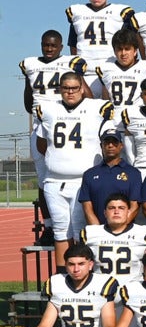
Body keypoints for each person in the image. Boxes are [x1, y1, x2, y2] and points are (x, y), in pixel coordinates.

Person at [35, 72, 115, 271]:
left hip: (84, 180)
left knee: (82, 232)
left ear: (82, 88)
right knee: (61, 231)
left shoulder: (97, 108)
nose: (70, 92)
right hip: (54, 180)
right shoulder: (47, 109)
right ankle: (63, 277)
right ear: (59, 89)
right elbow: (42, 144)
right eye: (66, 88)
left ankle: (83, 276)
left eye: (74, 88)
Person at [21, 30, 90, 245]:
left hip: (66, 121)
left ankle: (81, 228)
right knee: (44, 180)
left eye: (53, 46)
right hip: (42, 124)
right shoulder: (30, 64)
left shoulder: (71, 63)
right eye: (45, 45)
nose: (49, 49)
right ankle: (49, 226)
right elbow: (28, 100)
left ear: (61, 47)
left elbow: (86, 95)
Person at [17, 244, 117, 327]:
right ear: (65, 265)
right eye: (71, 264)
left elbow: (110, 324)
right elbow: (46, 325)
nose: (76, 269)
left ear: (90, 264)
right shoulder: (56, 283)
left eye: (81, 264)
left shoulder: (103, 283)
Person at [66, 0, 135, 97]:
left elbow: (129, 43)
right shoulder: (77, 13)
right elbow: (73, 44)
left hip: (111, 70)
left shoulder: (119, 13)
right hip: (86, 72)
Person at [79, 193, 146, 287]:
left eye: (121, 208)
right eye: (111, 208)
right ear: (105, 212)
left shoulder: (145, 233)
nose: (116, 211)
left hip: (133, 292)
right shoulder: (90, 233)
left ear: (129, 212)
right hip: (100, 291)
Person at [95, 28, 146, 122]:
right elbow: (106, 98)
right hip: (114, 121)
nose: (123, 53)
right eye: (119, 49)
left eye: (127, 49)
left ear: (135, 51)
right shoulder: (105, 69)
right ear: (114, 51)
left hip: (138, 120)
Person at [78, 129, 142, 225]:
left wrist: (119, 228)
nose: (110, 145)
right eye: (107, 142)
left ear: (121, 146)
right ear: (101, 146)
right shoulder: (89, 174)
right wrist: (100, 231)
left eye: (114, 142)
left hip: (125, 231)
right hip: (98, 233)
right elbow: (87, 209)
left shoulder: (133, 173)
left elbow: (134, 206)